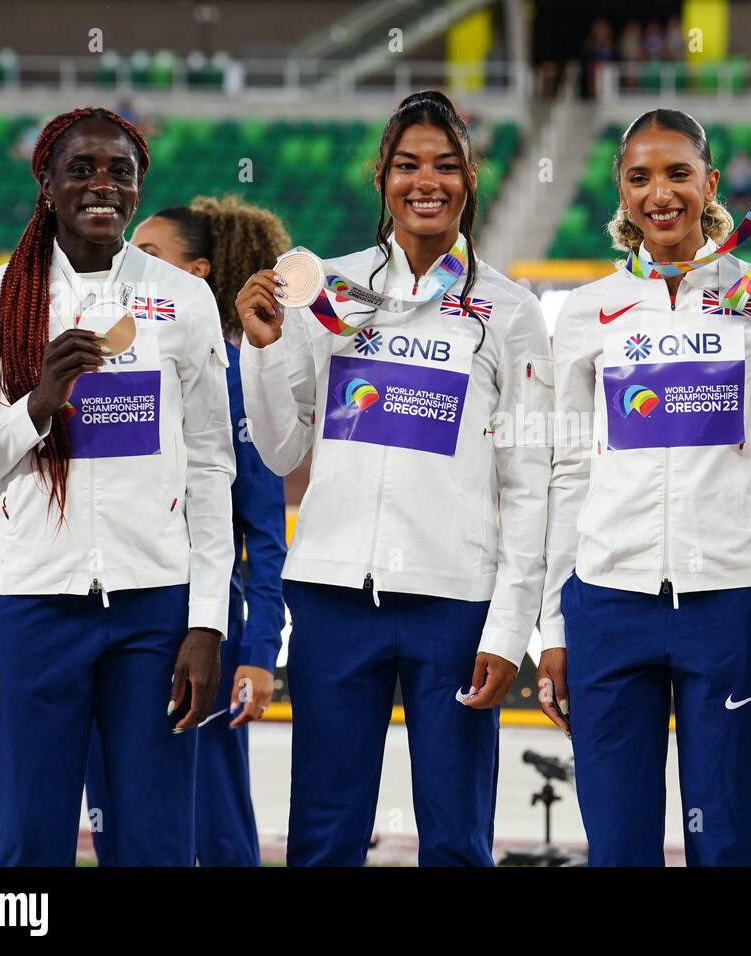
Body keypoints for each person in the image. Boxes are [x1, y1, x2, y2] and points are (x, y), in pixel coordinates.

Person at [236, 90, 552, 866]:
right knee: (324, 834)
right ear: (381, 176)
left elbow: (531, 483)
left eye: (446, 165)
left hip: (454, 605)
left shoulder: (508, 311)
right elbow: (280, 452)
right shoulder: (324, 289)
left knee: (454, 839)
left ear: (470, 179)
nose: (427, 181)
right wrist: (265, 348)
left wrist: (511, 627)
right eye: (408, 164)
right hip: (332, 596)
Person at [537, 108, 751, 866]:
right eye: (640, 177)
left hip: (729, 602)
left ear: (710, 184)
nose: (660, 193)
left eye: (678, 173)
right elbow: (568, 471)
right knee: (619, 849)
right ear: (621, 191)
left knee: (729, 844)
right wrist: (551, 627)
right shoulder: (585, 311)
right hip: (609, 604)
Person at [0, 107, 236, 866]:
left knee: (155, 842)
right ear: (46, 183)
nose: (102, 186)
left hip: (154, 610)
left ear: (137, 189)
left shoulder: (182, 299)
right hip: (32, 605)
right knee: (29, 842)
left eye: (120, 172)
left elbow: (210, 465)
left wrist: (207, 621)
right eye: (81, 170)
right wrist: (35, 406)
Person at [84, 195, 289, 866]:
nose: (127, 268)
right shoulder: (105, 368)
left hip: (203, 628)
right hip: (112, 616)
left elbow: (264, 533)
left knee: (213, 812)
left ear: (195, 276)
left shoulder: (233, 386)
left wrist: (257, 652)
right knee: (116, 805)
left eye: (148, 256)